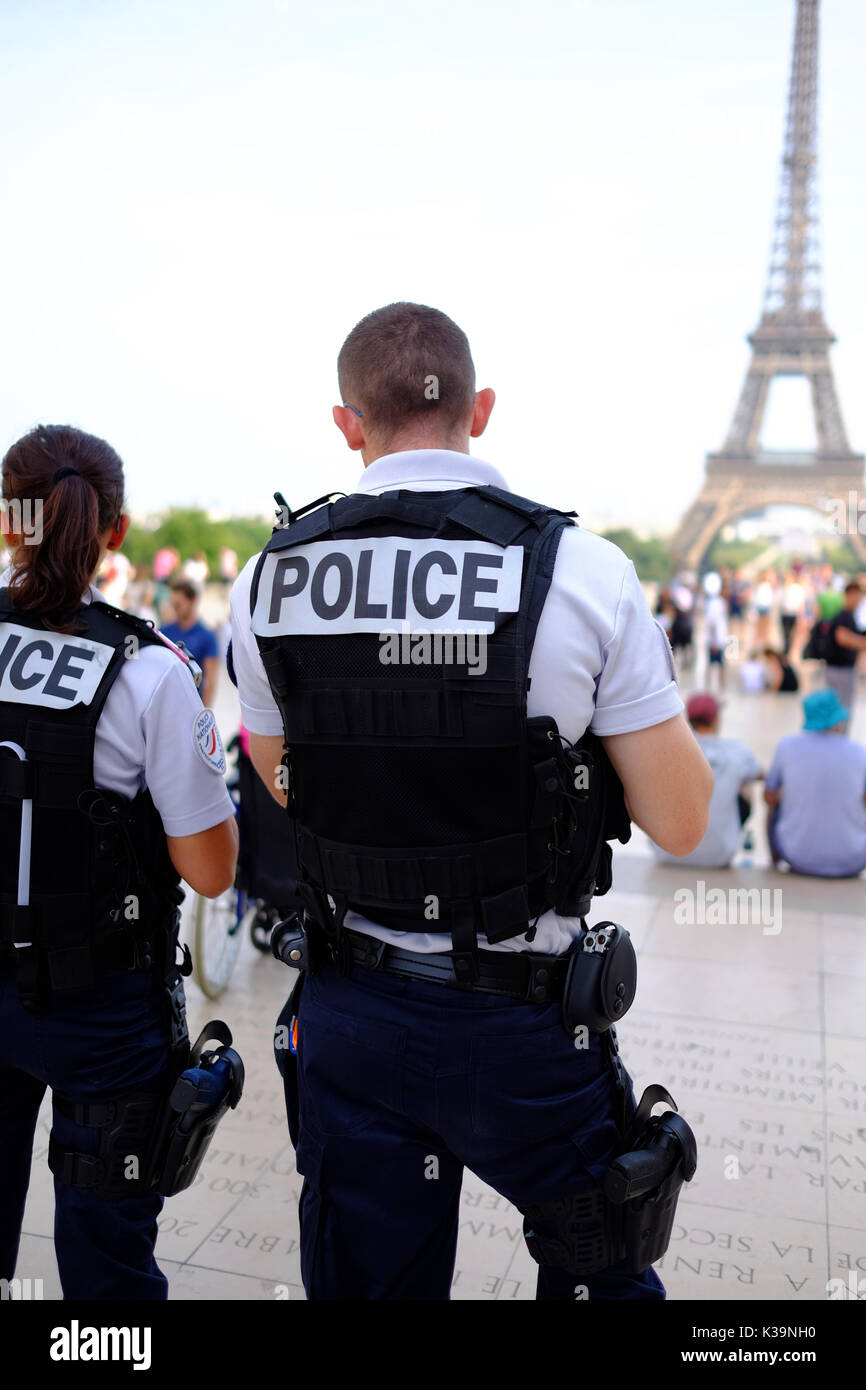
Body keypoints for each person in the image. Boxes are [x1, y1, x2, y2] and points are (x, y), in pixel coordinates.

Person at [229, 301, 712, 1301]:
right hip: (523, 1023)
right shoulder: (582, 571)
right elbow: (681, 821)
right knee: (601, 1266)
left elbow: (280, 783)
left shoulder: (269, 575)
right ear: (478, 409)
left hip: (348, 1008)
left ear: (345, 423)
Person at [0, 425, 238, 1299]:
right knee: (105, 1277)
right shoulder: (152, 672)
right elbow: (211, 872)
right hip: (101, 1010)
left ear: (7, 521)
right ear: (117, 530)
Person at [650, 693, 761, 869]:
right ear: (716, 718)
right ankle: (730, 836)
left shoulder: (667, 747)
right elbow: (760, 774)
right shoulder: (737, 751)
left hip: (666, 852)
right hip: (719, 856)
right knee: (745, 784)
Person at [765, 688, 866, 878]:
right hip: (854, 859)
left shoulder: (787, 746)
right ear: (838, 721)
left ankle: (774, 859)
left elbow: (768, 796)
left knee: (774, 799)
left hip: (796, 857)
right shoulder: (859, 752)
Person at [161, 577, 221, 708]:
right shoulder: (164, 633)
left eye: (178, 605)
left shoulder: (207, 636)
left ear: (192, 600)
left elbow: (210, 680)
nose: (175, 609)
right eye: (173, 604)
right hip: (167, 705)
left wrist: (205, 712)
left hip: (193, 706)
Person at [824, 582, 866, 731]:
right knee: (842, 707)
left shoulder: (848, 615)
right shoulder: (845, 615)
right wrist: (862, 643)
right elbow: (842, 637)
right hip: (841, 669)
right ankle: (839, 741)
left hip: (840, 668)